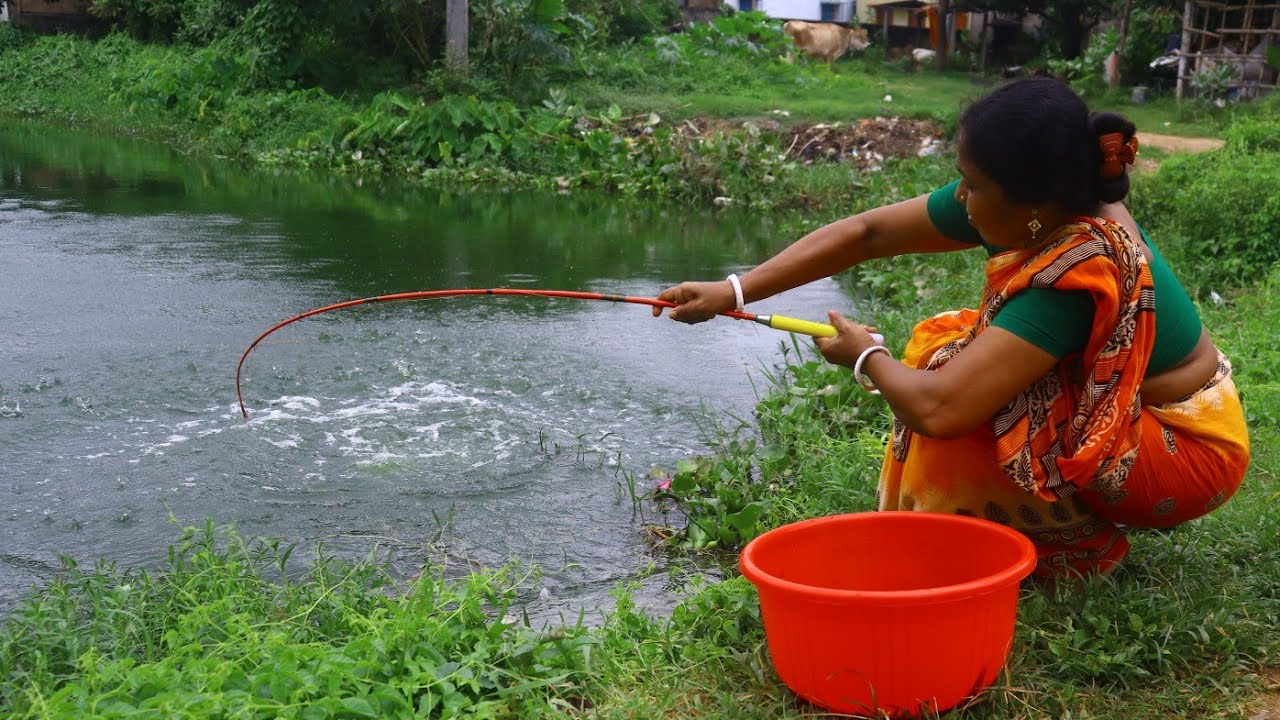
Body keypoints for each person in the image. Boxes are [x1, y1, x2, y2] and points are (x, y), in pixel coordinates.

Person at [653, 77, 1250, 577]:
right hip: (1137, 421)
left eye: (973, 183)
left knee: (960, 393)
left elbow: (938, 410)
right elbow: (869, 233)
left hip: (1188, 452)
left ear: (1031, 202)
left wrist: (866, 357)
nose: (959, 194)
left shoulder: (1074, 273)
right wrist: (731, 290)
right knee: (949, 340)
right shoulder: (1039, 205)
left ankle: (1060, 553)